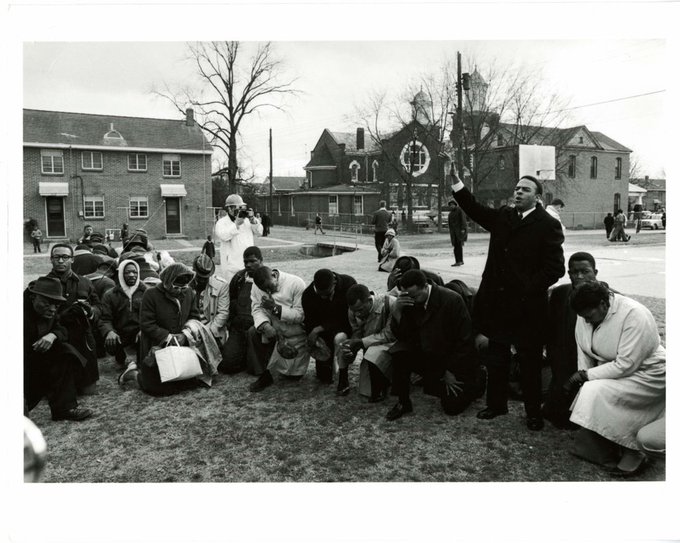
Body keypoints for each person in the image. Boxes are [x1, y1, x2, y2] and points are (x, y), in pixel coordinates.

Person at [450, 169, 565, 431]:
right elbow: (475, 208)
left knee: (529, 363)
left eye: (525, 189)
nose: (518, 192)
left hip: (528, 308)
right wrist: (456, 182)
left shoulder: (548, 224)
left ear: (537, 198)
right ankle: (496, 405)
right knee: (497, 359)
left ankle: (533, 412)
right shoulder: (503, 216)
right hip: (497, 305)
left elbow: (555, 268)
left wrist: (527, 288)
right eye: (516, 188)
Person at [564, 281, 665, 475]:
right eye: (582, 317)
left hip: (649, 373)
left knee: (597, 391)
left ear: (603, 304)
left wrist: (586, 376)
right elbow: (583, 350)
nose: (586, 321)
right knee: (589, 390)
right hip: (612, 370)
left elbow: (626, 364)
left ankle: (633, 449)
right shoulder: (586, 315)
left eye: (589, 316)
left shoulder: (635, 314)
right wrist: (582, 377)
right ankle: (610, 446)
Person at [384, 270, 483, 421]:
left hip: (452, 359)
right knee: (399, 352)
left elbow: (464, 340)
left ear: (425, 286)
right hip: (429, 354)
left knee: (452, 408)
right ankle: (403, 403)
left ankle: (478, 381)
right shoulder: (409, 300)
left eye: (415, 296)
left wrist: (450, 371)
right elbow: (405, 337)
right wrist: (397, 311)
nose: (413, 300)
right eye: (408, 296)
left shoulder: (451, 300)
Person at [542, 252, 610, 428]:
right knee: (556, 413)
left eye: (585, 271)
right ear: (569, 273)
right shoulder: (559, 293)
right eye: (574, 272)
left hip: (594, 360)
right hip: (562, 357)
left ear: (595, 271)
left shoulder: (607, 298)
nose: (580, 276)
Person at [24, 277, 94, 421]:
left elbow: (61, 328)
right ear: (33, 297)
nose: (52, 309)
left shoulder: (50, 308)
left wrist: (52, 335)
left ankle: (64, 408)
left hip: (36, 361)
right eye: (47, 303)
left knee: (64, 351)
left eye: (56, 305)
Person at [135, 263, 203, 395]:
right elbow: (146, 324)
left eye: (184, 287)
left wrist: (185, 334)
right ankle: (134, 374)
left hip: (181, 343)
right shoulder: (151, 294)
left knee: (188, 385)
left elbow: (194, 317)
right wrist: (168, 337)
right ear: (167, 282)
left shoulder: (189, 293)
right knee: (160, 390)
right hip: (157, 344)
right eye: (176, 287)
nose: (180, 291)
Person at [46, 243, 102, 395]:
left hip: (83, 340)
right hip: (57, 340)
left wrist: (90, 311)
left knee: (88, 390)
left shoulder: (85, 282)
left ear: (72, 260)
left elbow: (99, 307)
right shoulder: (43, 284)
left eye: (65, 257)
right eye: (57, 257)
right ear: (51, 260)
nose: (61, 261)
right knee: (60, 389)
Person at [247, 266, 309, 392]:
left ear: (274, 275)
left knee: (293, 376)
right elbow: (257, 309)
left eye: (270, 287)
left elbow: (301, 315)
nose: (268, 291)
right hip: (272, 328)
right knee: (254, 332)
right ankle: (264, 374)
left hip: (294, 332)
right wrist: (265, 325)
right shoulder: (256, 286)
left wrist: (275, 308)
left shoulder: (296, 283)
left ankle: (287, 368)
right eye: (264, 289)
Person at [339, 284, 396, 401]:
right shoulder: (352, 310)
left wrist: (360, 342)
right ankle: (343, 379)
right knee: (367, 392)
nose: (357, 314)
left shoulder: (391, 304)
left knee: (373, 355)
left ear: (369, 300)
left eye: (360, 310)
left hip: (392, 346)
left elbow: (389, 335)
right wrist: (351, 347)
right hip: (369, 349)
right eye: (354, 311)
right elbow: (356, 331)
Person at [301, 268, 357, 387]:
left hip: (343, 327)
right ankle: (331, 365)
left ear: (334, 283)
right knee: (324, 377)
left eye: (327, 294)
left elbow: (348, 318)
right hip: (324, 335)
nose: (323, 298)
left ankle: (342, 373)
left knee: (339, 339)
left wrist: (320, 328)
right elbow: (309, 321)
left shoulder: (349, 284)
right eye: (320, 295)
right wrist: (314, 336)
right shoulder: (308, 295)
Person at [219, 246, 264, 374]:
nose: (248, 265)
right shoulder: (239, 278)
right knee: (227, 365)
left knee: (256, 370)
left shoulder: (268, 277)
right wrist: (231, 323)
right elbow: (230, 300)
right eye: (245, 262)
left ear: (261, 260)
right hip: (238, 328)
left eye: (252, 261)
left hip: (257, 329)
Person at [98, 259, 146, 376]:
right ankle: (120, 358)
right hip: (120, 333)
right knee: (111, 339)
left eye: (134, 272)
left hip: (141, 332)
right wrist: (109, 332)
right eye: (127, 272)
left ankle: (140, 359)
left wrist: (144, 330)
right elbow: (105, 318)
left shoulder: (147, 292)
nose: (131, 275)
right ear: (121, 274)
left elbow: (153, 316)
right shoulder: (110, 294)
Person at [214, 193, 263, 285]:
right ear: (229, 208)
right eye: (238, 208)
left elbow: (260, 232)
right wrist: (236, 225)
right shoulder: (222, 222)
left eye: (242, 207)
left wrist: (253, 220)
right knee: (233, 291)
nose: (240, 210)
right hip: (232, 266)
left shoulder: (247, 220)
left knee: (249, 290)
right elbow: (224, 235)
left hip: (249, 263)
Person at [192, 254, 229, 345]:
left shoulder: (221, 285)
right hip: (191, 328)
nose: (202, 280)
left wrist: (208, 332)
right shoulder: (187, 283)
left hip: (211, 329)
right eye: (200, 277)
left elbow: (223, 313)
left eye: (205, 277)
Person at [447, 199, 467, 267]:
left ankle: (460, 261)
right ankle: (457, 261)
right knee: (456, 247)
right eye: (450, 205)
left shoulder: (459, 210)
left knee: (459, 246)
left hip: (459, 232)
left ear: (455, 205)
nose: (451, 206)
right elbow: (450, 224)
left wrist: (463, 229)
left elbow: (463, 220)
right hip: (453, 233)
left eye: (452, 205)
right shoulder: (450, 214)